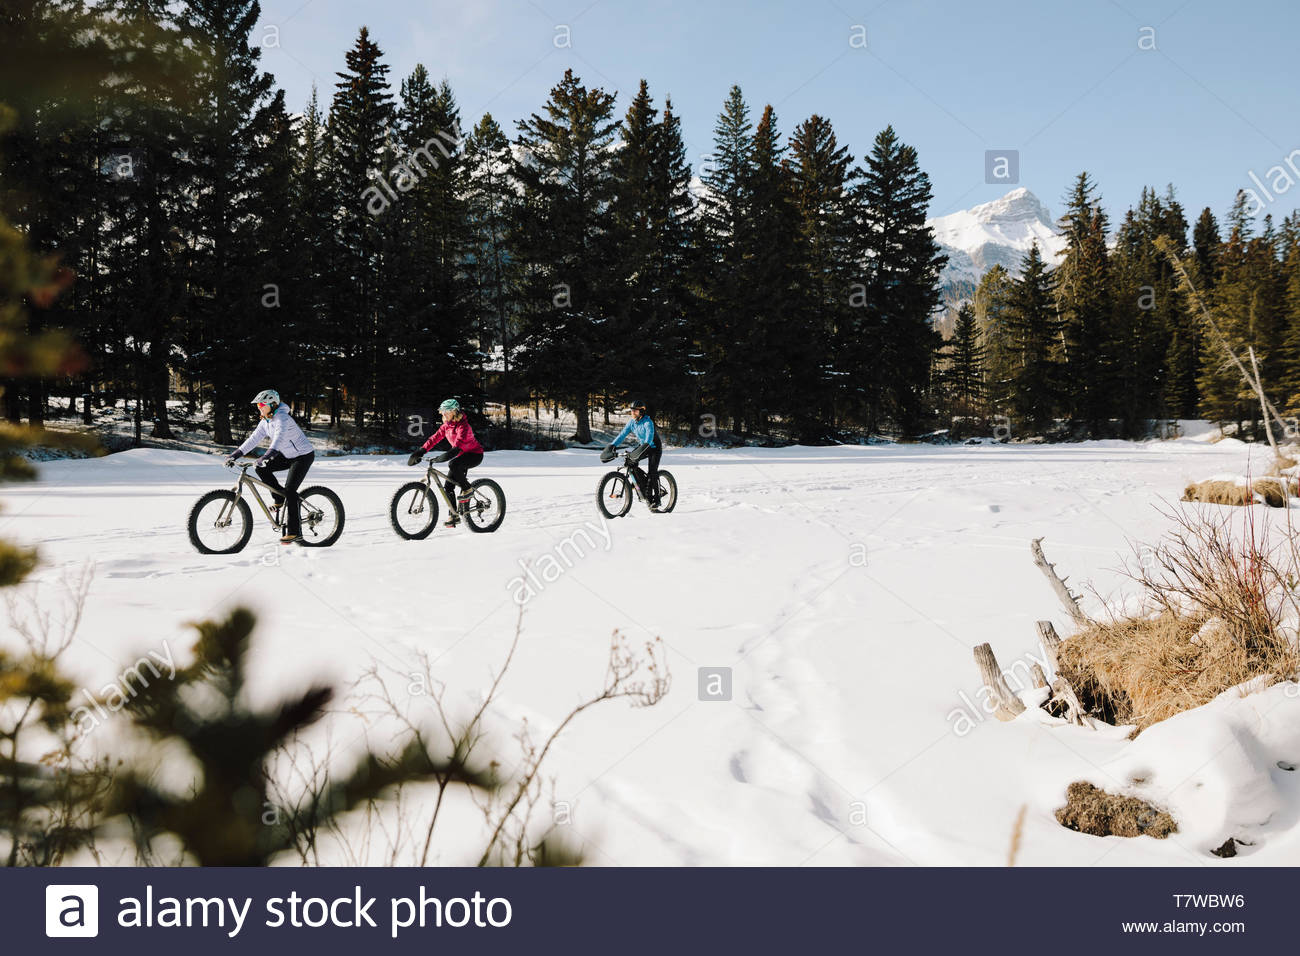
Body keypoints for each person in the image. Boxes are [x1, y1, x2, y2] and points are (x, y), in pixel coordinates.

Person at [226, 389, 315, 545]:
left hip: (303, 456)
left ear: (272, 404)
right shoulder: (266, 421)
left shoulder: (282, 418)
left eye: (261, 404)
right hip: (287, 455)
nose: (258, 407)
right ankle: (279, 498)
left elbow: (278, 440)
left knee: (290, 490)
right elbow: (253, 440)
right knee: (260, 467)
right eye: (258, 405)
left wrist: (266, 456)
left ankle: (294, 532)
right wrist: (235, 455)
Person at [408, 398, 484, 527]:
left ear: (454, 411)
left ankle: (468, 489)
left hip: (474, 455)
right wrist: (421, 451)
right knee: (448, 486)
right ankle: (453, 515)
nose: (444, 414)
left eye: (446, 411)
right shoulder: (446, 426)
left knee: (453, 464)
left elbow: (458, 445)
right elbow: (434, 438)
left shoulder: (463, 426)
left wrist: (446, 456)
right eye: (442, 412)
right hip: (460, 455)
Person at [606, 399, 663, 510]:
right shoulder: (632, 423)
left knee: (652, 472)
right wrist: (612, 445)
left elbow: (649, 436)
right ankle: (642, 483)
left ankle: (657, 499)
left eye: (635, 411)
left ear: (642, 411)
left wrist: (645, 445)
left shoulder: (648, 422)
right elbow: (622, 435)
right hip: (644, 447)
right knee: (630, 462)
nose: (632, 413)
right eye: (632, 411)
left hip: (654, 448)